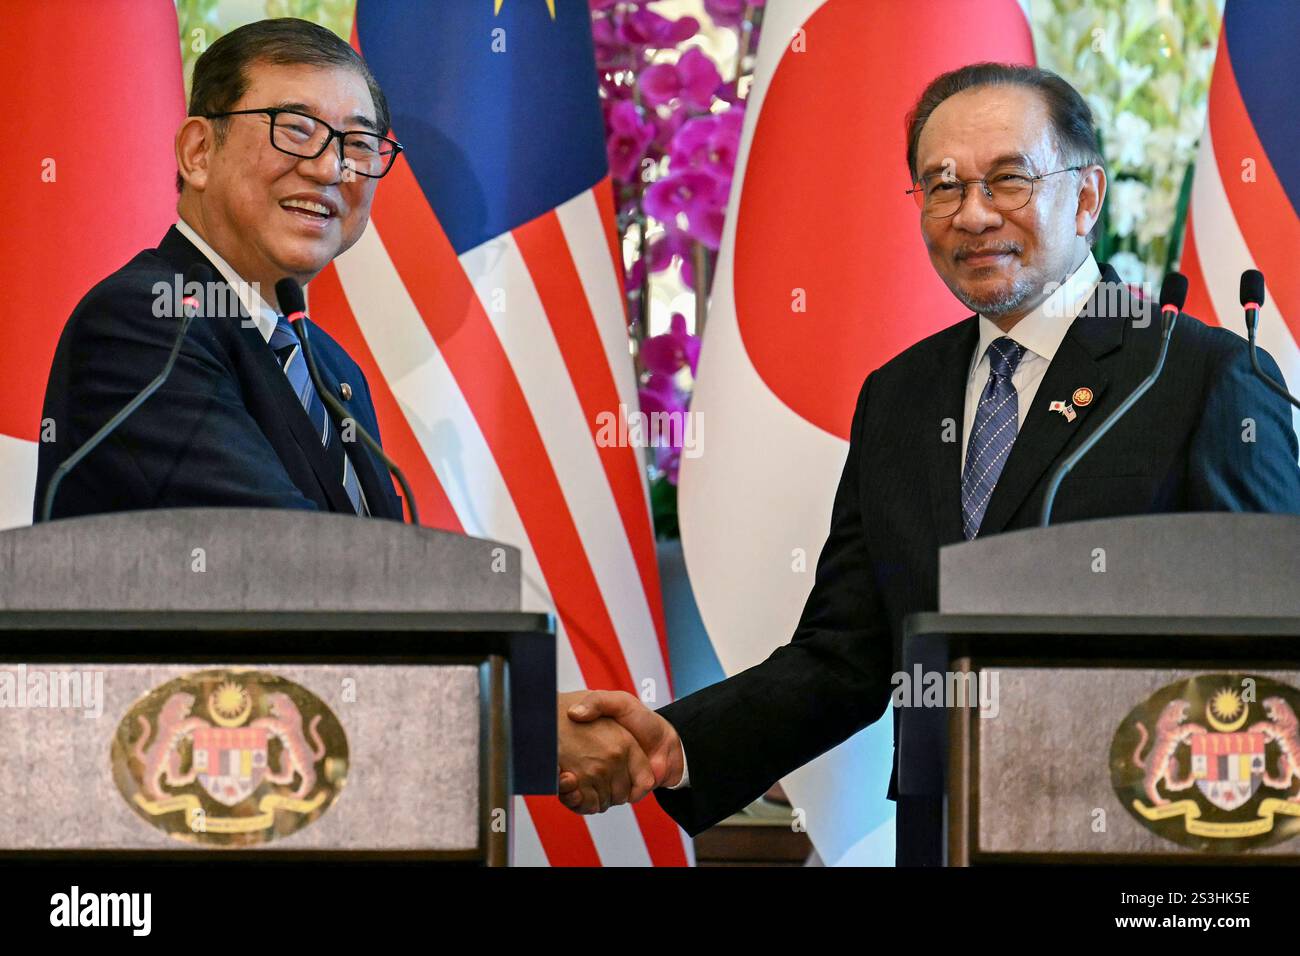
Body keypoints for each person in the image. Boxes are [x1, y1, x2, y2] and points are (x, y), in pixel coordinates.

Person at [554, 62, 1300, 864]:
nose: (973, 214)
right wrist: (672, 739)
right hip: (944, 831)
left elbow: (1268, 642)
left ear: (1087, 197)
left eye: (1008, 181)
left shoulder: (1196, 375)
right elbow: (845, 654)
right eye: (941, 187)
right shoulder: (900, 396)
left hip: (1148, 843)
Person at [35, 17, 405, 520]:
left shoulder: (334, 371)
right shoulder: (142, 323)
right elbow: (282, 554)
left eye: (359, 144)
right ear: (199, 151)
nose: (330, 169)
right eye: (296, 129)